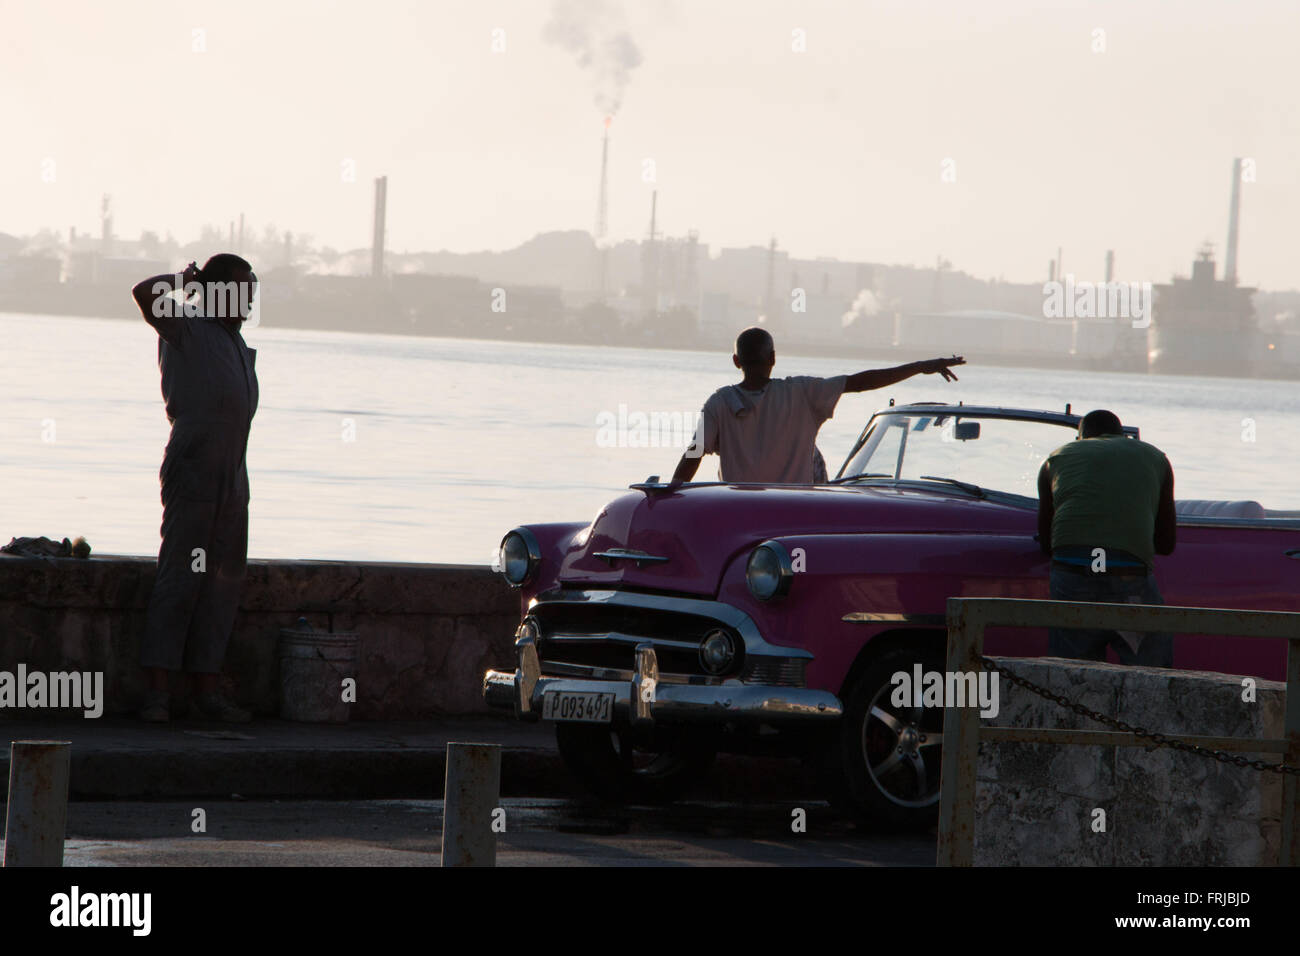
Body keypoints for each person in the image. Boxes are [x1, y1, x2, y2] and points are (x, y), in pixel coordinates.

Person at [131, 254, 260, 721]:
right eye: (243, 290)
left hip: (234, 473)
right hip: (194, 464)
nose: (250, 301)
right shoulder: (186, 325)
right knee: (180, 577)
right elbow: (145, 293)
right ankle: (158, 694)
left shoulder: (235, 341)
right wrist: (185, 281)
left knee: (222, 584)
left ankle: (207, 691)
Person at [671, 326, 964, 484]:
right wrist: (921, 367)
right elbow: (862, 381)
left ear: (735, 361)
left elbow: (693, 455)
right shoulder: (803, 392)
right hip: (795, 514)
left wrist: (669, 492)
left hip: (739, 513)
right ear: (773, 358)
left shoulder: (718, 402)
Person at [1037, 409, 1177, 666]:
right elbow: (1167, 543)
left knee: (1071, 675)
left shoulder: (1055, 459)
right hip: (1129, 577)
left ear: (1081, 438)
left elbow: (1048, 543)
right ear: (1123, 435)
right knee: (1150, 674)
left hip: (1071, 576)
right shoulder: (1155, 457)